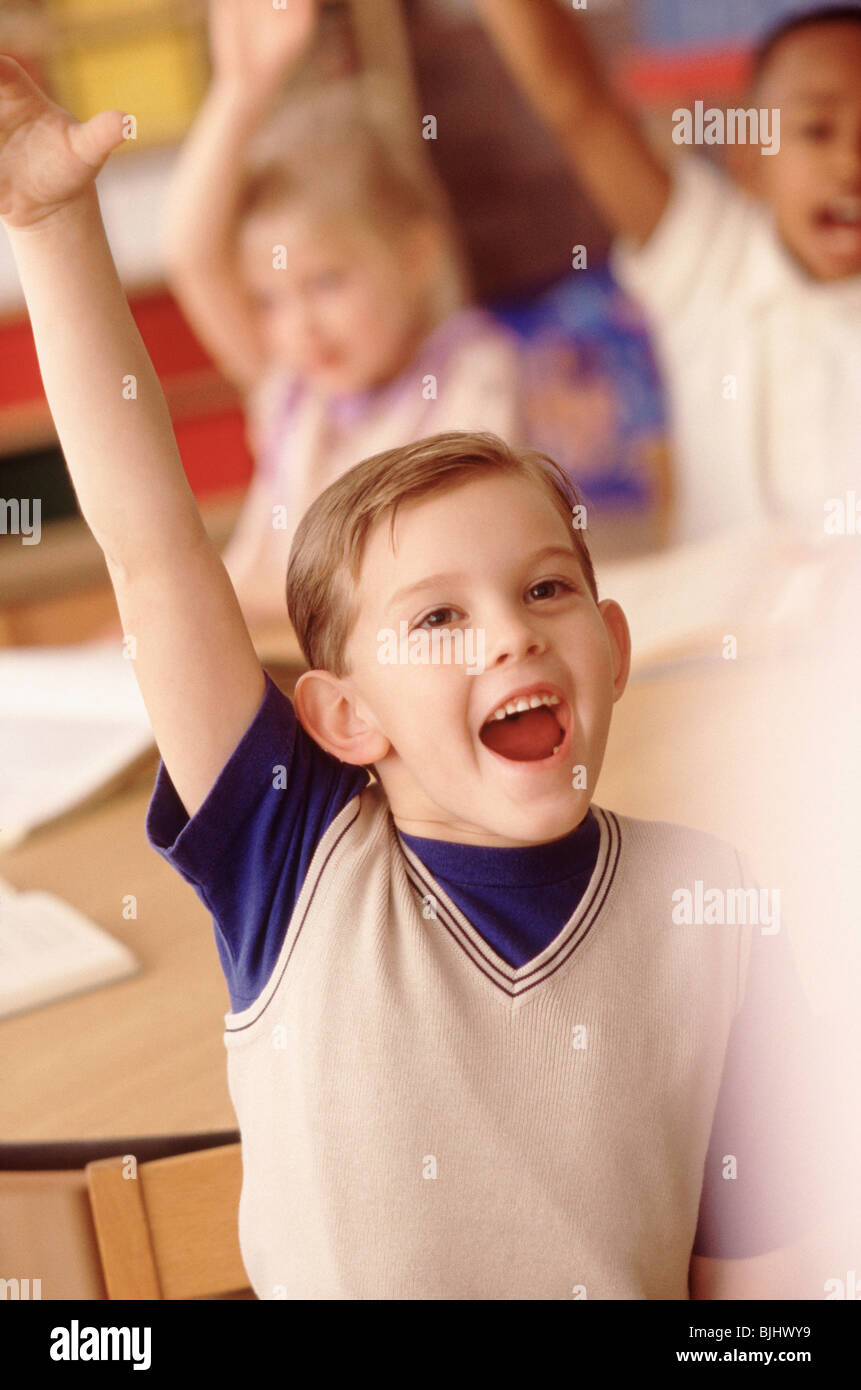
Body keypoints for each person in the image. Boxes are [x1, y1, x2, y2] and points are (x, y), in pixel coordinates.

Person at [0, 55, 823, 1299]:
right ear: (342, 715)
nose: (510, 636)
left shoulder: (713, 911)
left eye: (546, 590)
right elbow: (156, 556)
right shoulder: (296, 857)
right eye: (439, 615)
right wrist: (55, 223)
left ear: (610, 641)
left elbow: (752, 1290)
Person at [160, 0, 521, 627]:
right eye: (269, 300)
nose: (299, 324)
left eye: (326, 282)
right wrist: (241, 92)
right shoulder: (294, 388)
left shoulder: (471, 375)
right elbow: (189, 256)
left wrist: (226, 612)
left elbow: (416, 587)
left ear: (415, 255)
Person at [473, 1, 861, 544]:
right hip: (715, 620)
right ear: (748, 161)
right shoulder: (708, 255)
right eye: (816, 129)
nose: (850, 163)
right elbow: (575, 102)